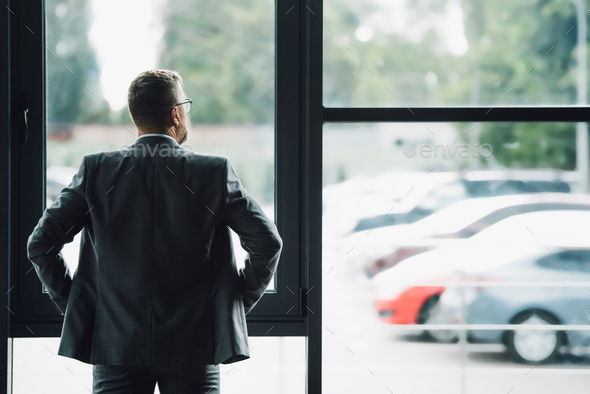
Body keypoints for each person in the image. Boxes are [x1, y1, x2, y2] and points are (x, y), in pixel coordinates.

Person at [27, 69, 283, 393]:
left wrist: (84, 306)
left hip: (116, 345)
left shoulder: (97, 171)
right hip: (194, 347)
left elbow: (40, 245)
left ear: (134, 116)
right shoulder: (213, 173)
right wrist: (227, 306)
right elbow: (267, 243)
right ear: (175, 114)